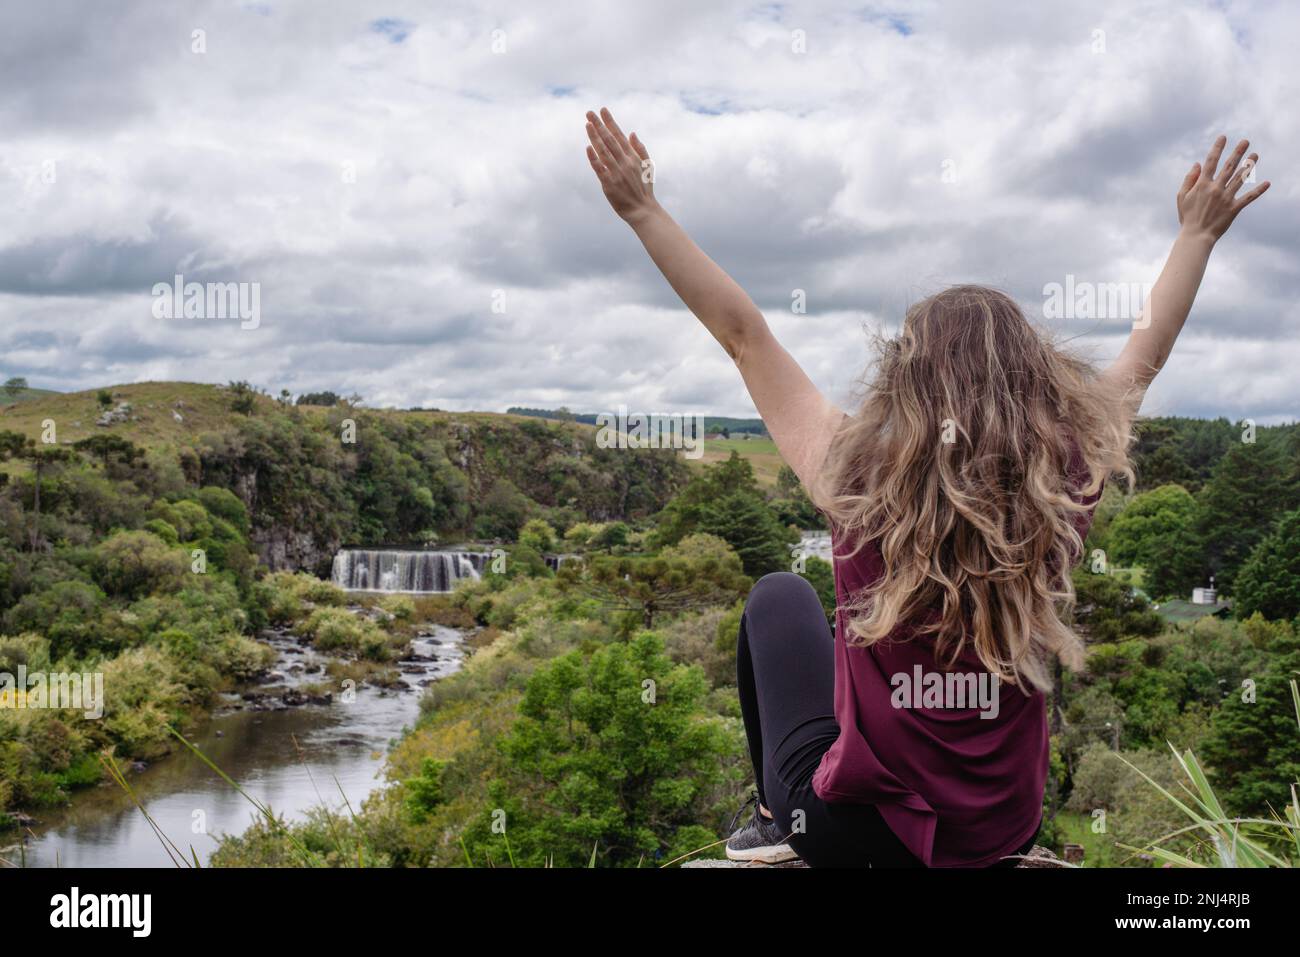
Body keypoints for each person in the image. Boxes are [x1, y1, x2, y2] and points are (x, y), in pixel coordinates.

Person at [583, 109, 1270, 867]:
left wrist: (644, 211)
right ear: (1033, 383)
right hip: (999, 835)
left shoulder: (855, 475)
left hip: (852, 836)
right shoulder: (1063, 485)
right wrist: (1196, 236)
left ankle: (780, 819)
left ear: (903, 380)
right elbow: (1149, 351)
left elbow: (745, 335)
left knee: (778, 594)